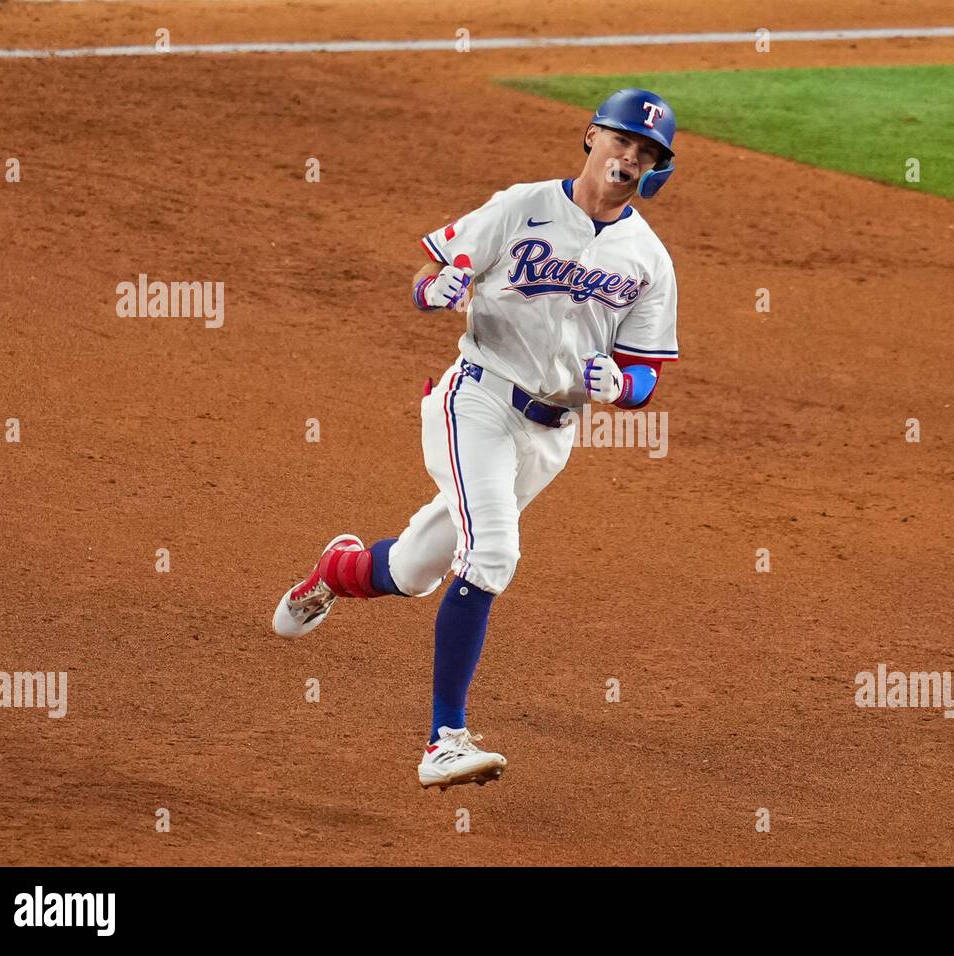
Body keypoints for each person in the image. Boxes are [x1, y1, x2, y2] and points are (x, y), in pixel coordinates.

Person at [271, 88, 680, 790]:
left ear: (654, 169)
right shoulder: (519, 206)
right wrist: (438, 289)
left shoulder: (649, 259)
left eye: (645, 154)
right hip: (477, 401)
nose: (628, 158)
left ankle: (336, 571)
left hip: (549, 438)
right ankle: (444, 741)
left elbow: (647, 372)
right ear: (591, 138)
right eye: (620, 141)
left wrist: (623, 387)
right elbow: (432, 277)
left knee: (414, 571)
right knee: (492, 551)